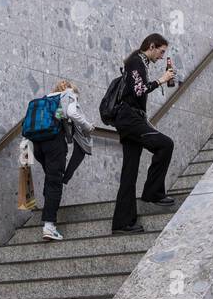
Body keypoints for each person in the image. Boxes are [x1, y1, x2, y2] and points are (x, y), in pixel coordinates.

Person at [111, 34, 176, 234]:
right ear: (151, 46)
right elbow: (139, 91)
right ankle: (153, 193)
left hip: (131, 120)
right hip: (129, 121)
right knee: (165, 144)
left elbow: (134, 94)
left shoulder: (138, 62)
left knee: (129, 173)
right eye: (161, 51)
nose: (161, 56)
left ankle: (122, 224)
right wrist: (162, 80)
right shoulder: (136, 61)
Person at [32, 80, 95, 241]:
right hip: (55, 143)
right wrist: (87, 126)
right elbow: (73, 113)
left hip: (39, 144)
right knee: (55, 183)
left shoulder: (47, 99)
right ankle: (49, 226)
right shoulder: (68, 95)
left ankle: (48, 215)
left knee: (50, 180)